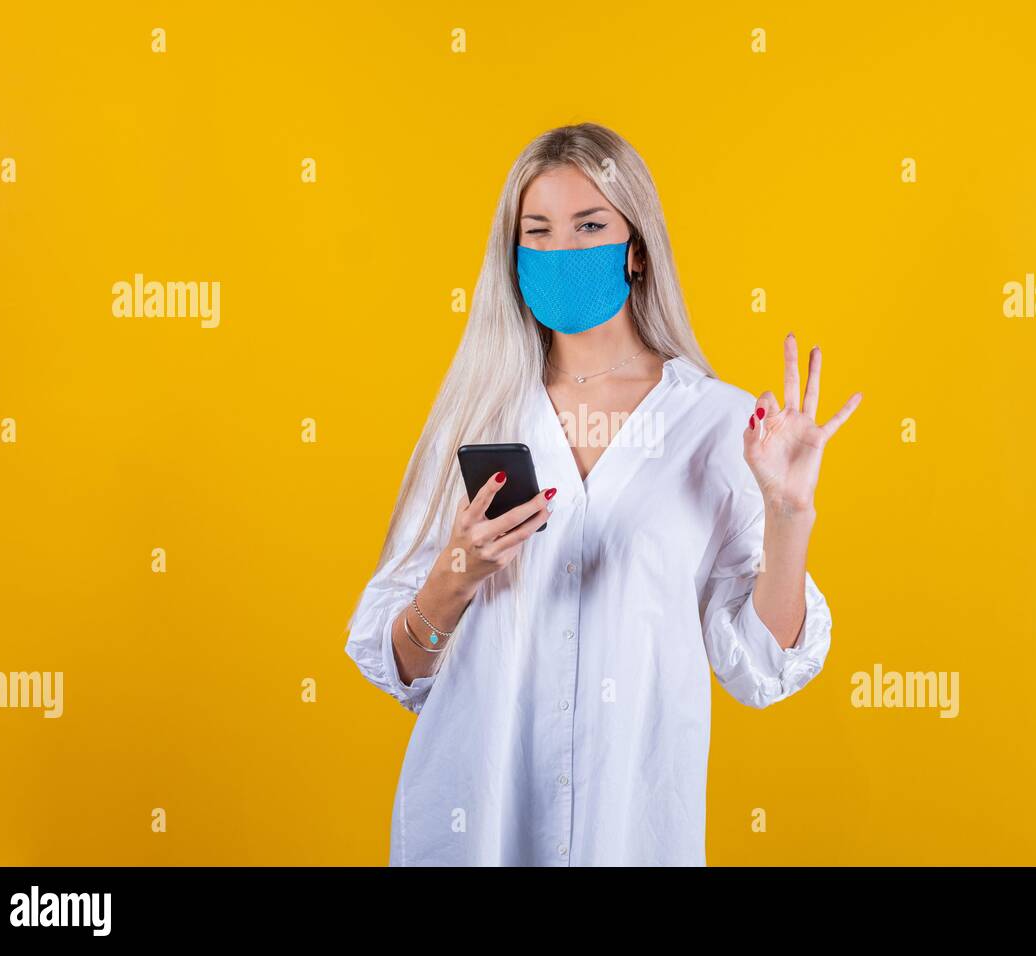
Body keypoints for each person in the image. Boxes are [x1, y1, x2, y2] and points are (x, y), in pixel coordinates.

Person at [345, 122, 862, 865]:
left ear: (637, 248)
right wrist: (454, 575)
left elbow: (762, 665)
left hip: (633, 832)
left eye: (591, 226)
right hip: (474, 825)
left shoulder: (717, 423)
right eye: (539, 231)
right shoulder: (477, 413)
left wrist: (789, 516)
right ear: (514, 255)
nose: (563, 250)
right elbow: (396, 663)